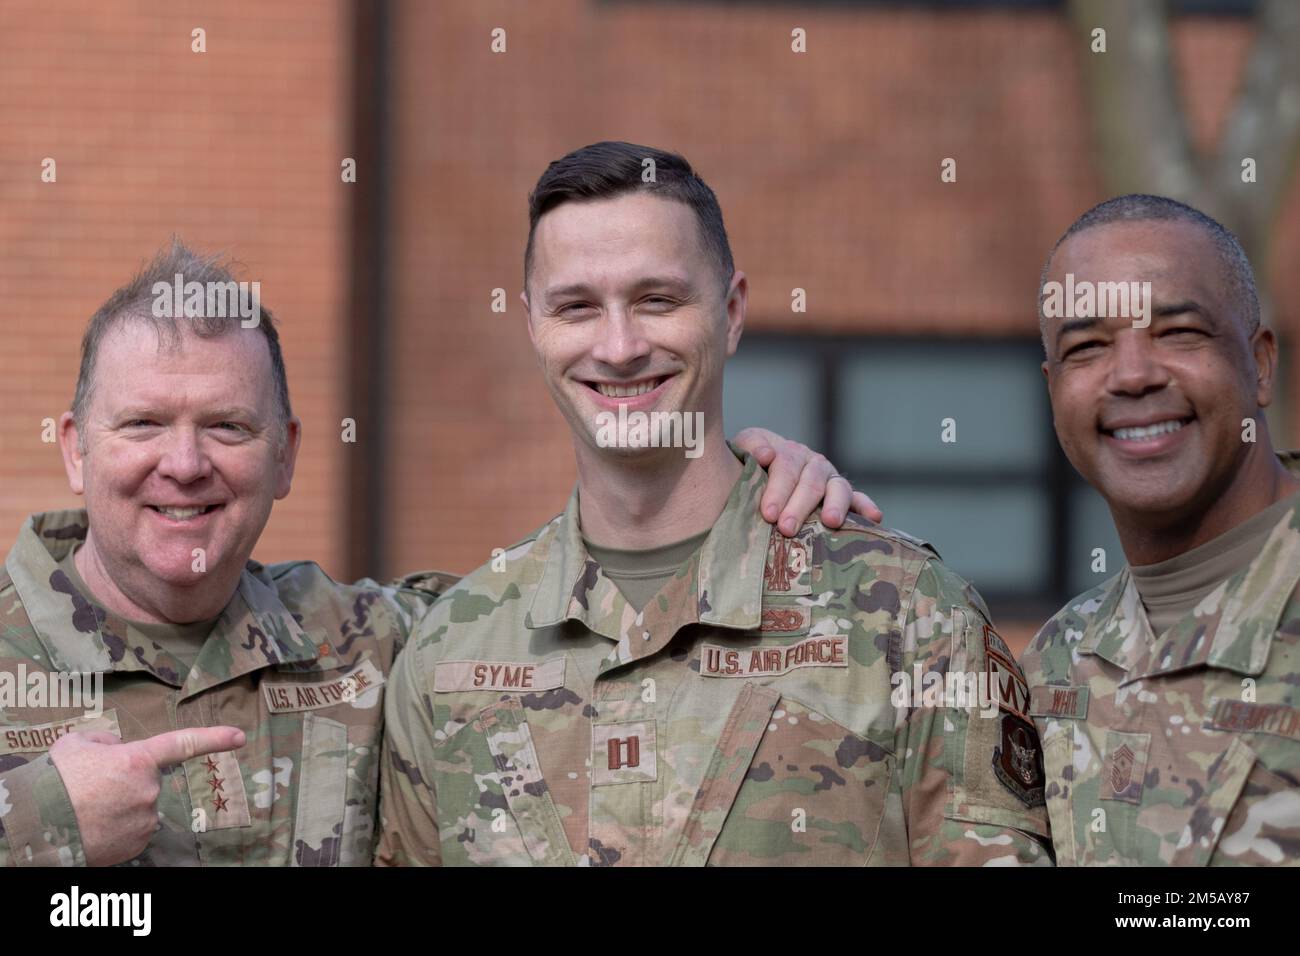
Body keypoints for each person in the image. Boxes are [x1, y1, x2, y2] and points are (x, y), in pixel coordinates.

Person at [0, 240, 865, 867]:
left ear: (286, 454)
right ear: (77, 448)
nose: (184, 465)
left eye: (228, 426)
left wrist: (733, 482)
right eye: (143, 423)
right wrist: (38, 822)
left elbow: (598, 610)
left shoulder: (383, 645)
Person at [376, 141, 1053, 866]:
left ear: (731, 313)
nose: (620, 345)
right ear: (534, 327)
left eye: (656, 300)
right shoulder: (449, 653)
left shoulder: (908, 618)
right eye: (576, 307)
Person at [1022, 194, 1300, 865]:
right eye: (1087, 347)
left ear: (1260, 365)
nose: (1135, 375)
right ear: (1053, 389)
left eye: (1178, 332)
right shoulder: (1055, 663)